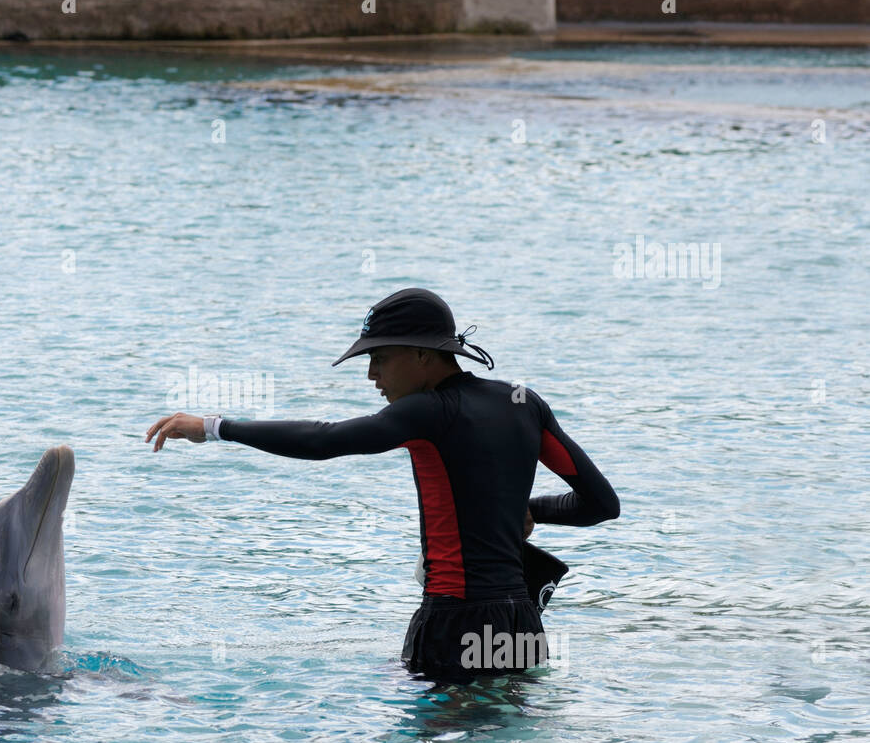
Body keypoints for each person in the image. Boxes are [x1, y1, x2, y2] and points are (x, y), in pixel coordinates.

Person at [144, 288, 620, 685]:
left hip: (455, 621)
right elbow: (601, 504)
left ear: (422, 355)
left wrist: (214, 426)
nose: (372, 375)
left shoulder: (429, 412)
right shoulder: (524, 403)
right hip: (522, 625)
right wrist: (520, 508)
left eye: (380, 359)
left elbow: (325, 440)